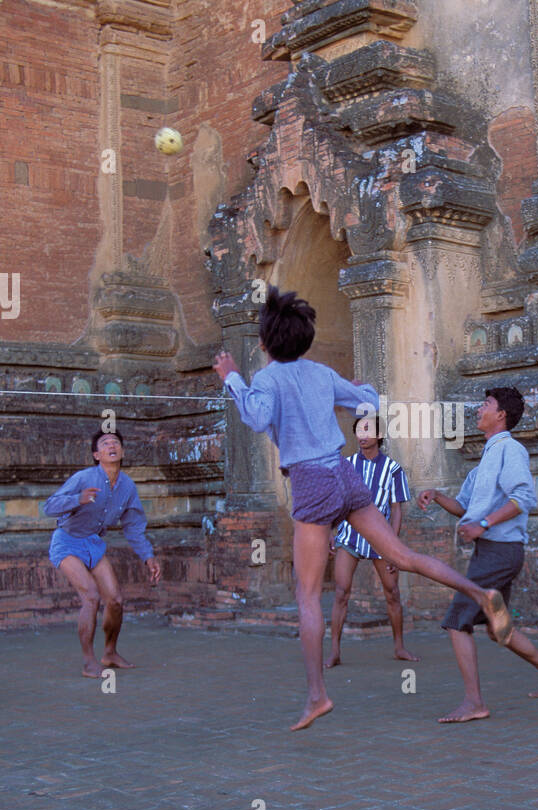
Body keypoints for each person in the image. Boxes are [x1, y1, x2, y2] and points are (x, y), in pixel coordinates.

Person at [212, 286, 512, 731]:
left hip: (312, 483)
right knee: (403, 557)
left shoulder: (268, 379)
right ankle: (480, 593)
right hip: (342, 472)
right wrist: (353, 389)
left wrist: (231, 377)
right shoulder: (318, 372)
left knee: (307, 595)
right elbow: (367, 400)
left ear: (263, 343)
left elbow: (256, 418)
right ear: (305, 338)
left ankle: (316, 695)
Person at [415, 387, 538, 724]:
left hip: (499, 552)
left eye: (486, 404)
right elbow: (465, 509)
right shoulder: (487, 456)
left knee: (457, 622)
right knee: (498, 628)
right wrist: (438, 496)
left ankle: (474, 702)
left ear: (501, 415)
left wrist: (483, 524)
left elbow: (523, 498)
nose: (479, 409)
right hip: (493, 551)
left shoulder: (510, 450)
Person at [42, 430, 162, 677]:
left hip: (93, 545)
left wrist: (148, 556)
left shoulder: (127, 486)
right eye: (105, 443)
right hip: (66, 542)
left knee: (116, 600)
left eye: (116, 442)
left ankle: (110, 653)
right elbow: (49, 506)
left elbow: (134, 526)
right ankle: (89, 661)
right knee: (91, 595)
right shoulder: (84, 478)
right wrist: (78, 499)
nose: (112, 446)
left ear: (123, 452)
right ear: (96, 455)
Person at [326, 416, 419, 668]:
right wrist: (329, 532)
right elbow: (336, 503)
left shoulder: (393, 469)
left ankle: (399, 646)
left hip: (381, 539)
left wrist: (394, 547)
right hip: (349, 536)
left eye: (368, 430)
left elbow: (396, 509)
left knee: (392, 593)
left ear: (379, 435)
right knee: (341, 592)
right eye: (359, 429)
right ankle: (334, 651)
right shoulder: (345, 465)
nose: (362, 434)